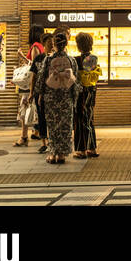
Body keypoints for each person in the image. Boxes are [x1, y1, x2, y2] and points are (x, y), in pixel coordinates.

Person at [43, 31, 78, 163]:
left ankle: (53, 154)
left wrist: (40, 94)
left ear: (54, 44)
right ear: (66, 44)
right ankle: (62, 154)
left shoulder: (48, 59)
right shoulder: (71, 60)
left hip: (51, 96)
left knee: (52, 125)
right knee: (65, 125)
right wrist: (74, 97)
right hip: (65, 97)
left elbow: (42, 78)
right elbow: (75, 80)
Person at [72, 31, 101, 158]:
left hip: (80, 93)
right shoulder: (94, 58)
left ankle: (81, 150)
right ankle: (92, 148)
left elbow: (74, 77)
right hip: (91, 92)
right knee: (89, 119)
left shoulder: (76, 60)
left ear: (79, 45)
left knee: (79, 120)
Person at [15, 26, 45, 146]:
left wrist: (21, 56)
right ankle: (34, 134)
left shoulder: (35, 46)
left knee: (24, 109)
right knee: (28, 109)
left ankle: (24, 137)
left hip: (30, 84)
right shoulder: (41, 46)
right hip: (34, 83)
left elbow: (34, 65)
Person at [30, 33, 55, 153]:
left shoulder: (55, 58)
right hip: (39, 92)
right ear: (44, 44)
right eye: (50, 43)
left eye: (53, 43)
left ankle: (52, 140)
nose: (52, 45)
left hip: (52, 92)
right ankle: (44, 142)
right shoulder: (38, 59)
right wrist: (31, 93)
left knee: (52, 117)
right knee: (41, 117)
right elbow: (33, 77)